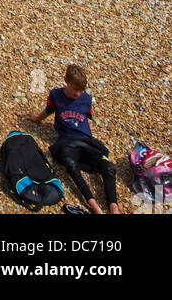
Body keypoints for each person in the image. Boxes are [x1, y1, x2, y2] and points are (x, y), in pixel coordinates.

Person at [28, 64, 120, 215]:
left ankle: (114, 208)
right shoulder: (56, 95)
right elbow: (48, 111)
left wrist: (89, 130)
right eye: (75, 89)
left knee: (109, 168)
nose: (78, 93)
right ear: (66, 81)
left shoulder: (86, 99)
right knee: (70, 164)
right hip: (66, 142)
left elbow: (86, 117)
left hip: (87, 141)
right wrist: (37, 119)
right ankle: (94, 206)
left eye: (81, 90)